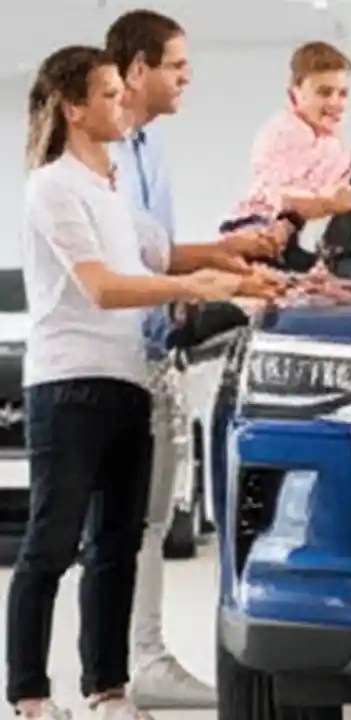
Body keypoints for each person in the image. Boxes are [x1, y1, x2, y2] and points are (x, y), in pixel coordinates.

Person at [3, 44, 248, 720]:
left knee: (115, 548)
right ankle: (29, 694)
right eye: (110, 95)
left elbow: (162, 251)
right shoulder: (51, 185)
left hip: (125, 382)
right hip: (69, 385)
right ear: (74, 107)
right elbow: (103, 285)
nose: (123, 104)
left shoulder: (110, 184)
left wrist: (256, 270)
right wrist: (185, 285)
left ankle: (108, 691)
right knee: (52, 544)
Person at [102, 10, 282, 708]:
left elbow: (155, 247)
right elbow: (130, 255)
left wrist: (220, 262)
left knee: (149, 520)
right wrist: (221, 270)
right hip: (111, 360)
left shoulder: (149, 149)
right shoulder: (107, 152)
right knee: (116, 525)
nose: (187, 79)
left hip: (153, 350)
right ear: (138, 69)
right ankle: (117, 670)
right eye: (177, 66)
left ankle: (139, 660)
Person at [225, 40, 351, 272]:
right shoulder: (285, 131)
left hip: (297, 235)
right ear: (294, 94)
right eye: (324, 92)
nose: (335, 102)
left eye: (342, 94)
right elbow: (279, 195)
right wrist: (330, 202)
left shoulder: (336, 147)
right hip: (257, 229)